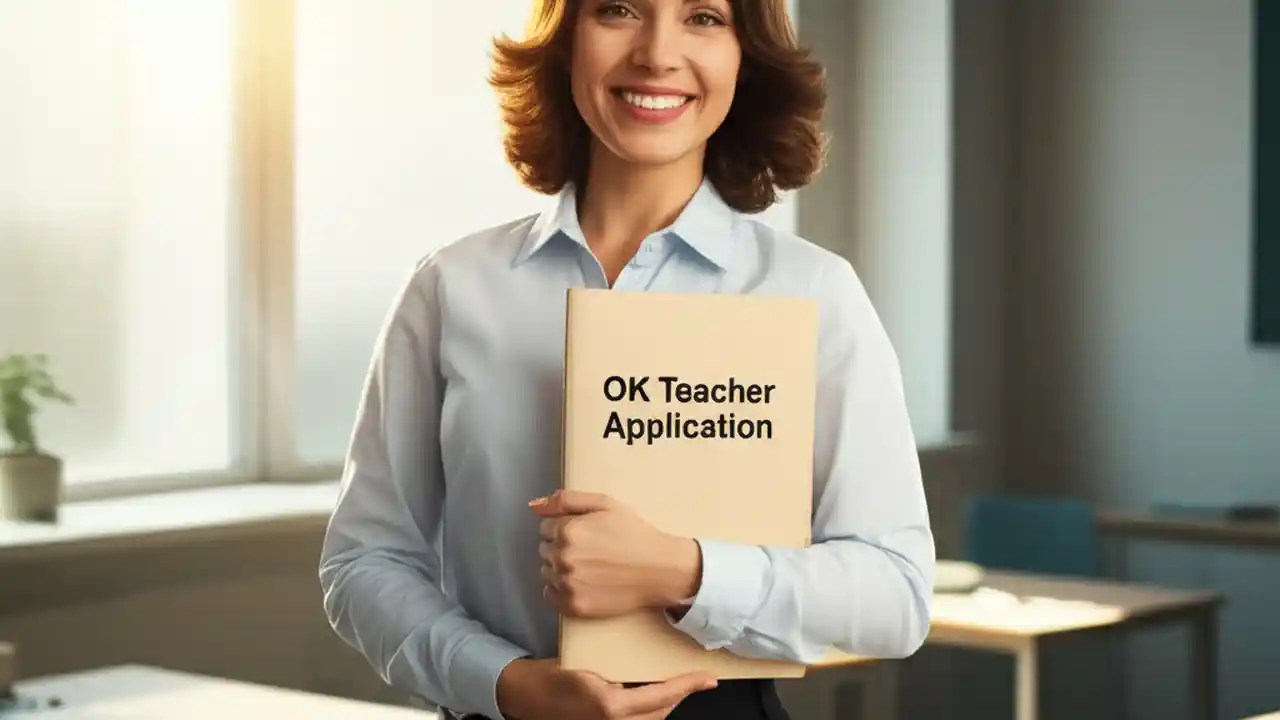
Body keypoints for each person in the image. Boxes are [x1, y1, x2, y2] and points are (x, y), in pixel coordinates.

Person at [318, 0, 935, 718]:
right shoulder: (451, 288)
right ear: (566, 38)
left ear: (745, 54)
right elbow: (364, 561)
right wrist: (505, 683)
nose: (656, 53)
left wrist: (683, 572)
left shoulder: (812, 294)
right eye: (618, 9)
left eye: (703, 17)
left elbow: (897, 595)